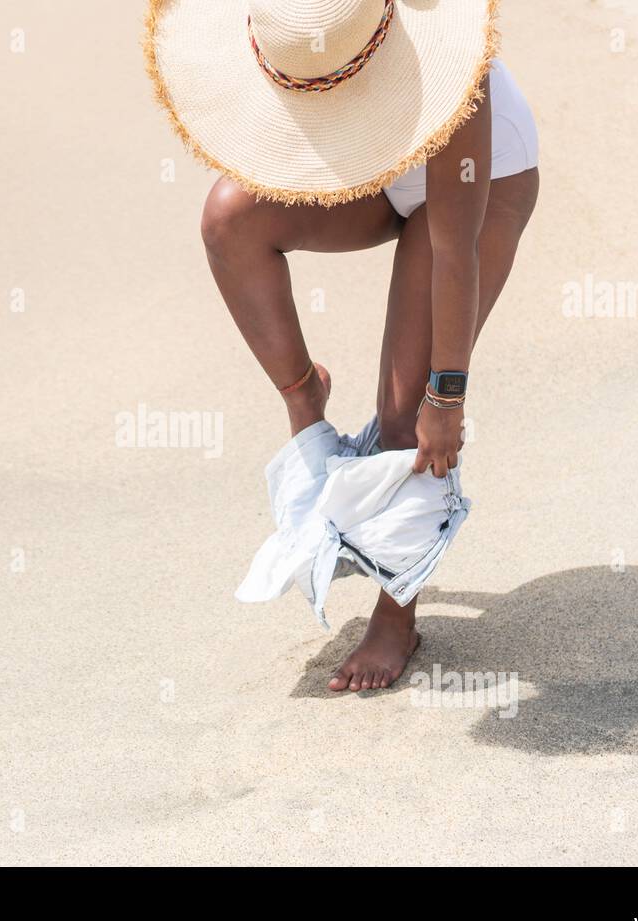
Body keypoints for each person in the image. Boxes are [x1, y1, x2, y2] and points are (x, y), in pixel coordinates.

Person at [146, 0, 539, 691]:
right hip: (381, 160)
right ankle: (307, 405)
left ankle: (396, 619)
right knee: (229, 220)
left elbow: (454, 254)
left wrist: (445, 395)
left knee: (402, 417)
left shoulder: (456, 84)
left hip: (481, 182)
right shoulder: (299, 38)